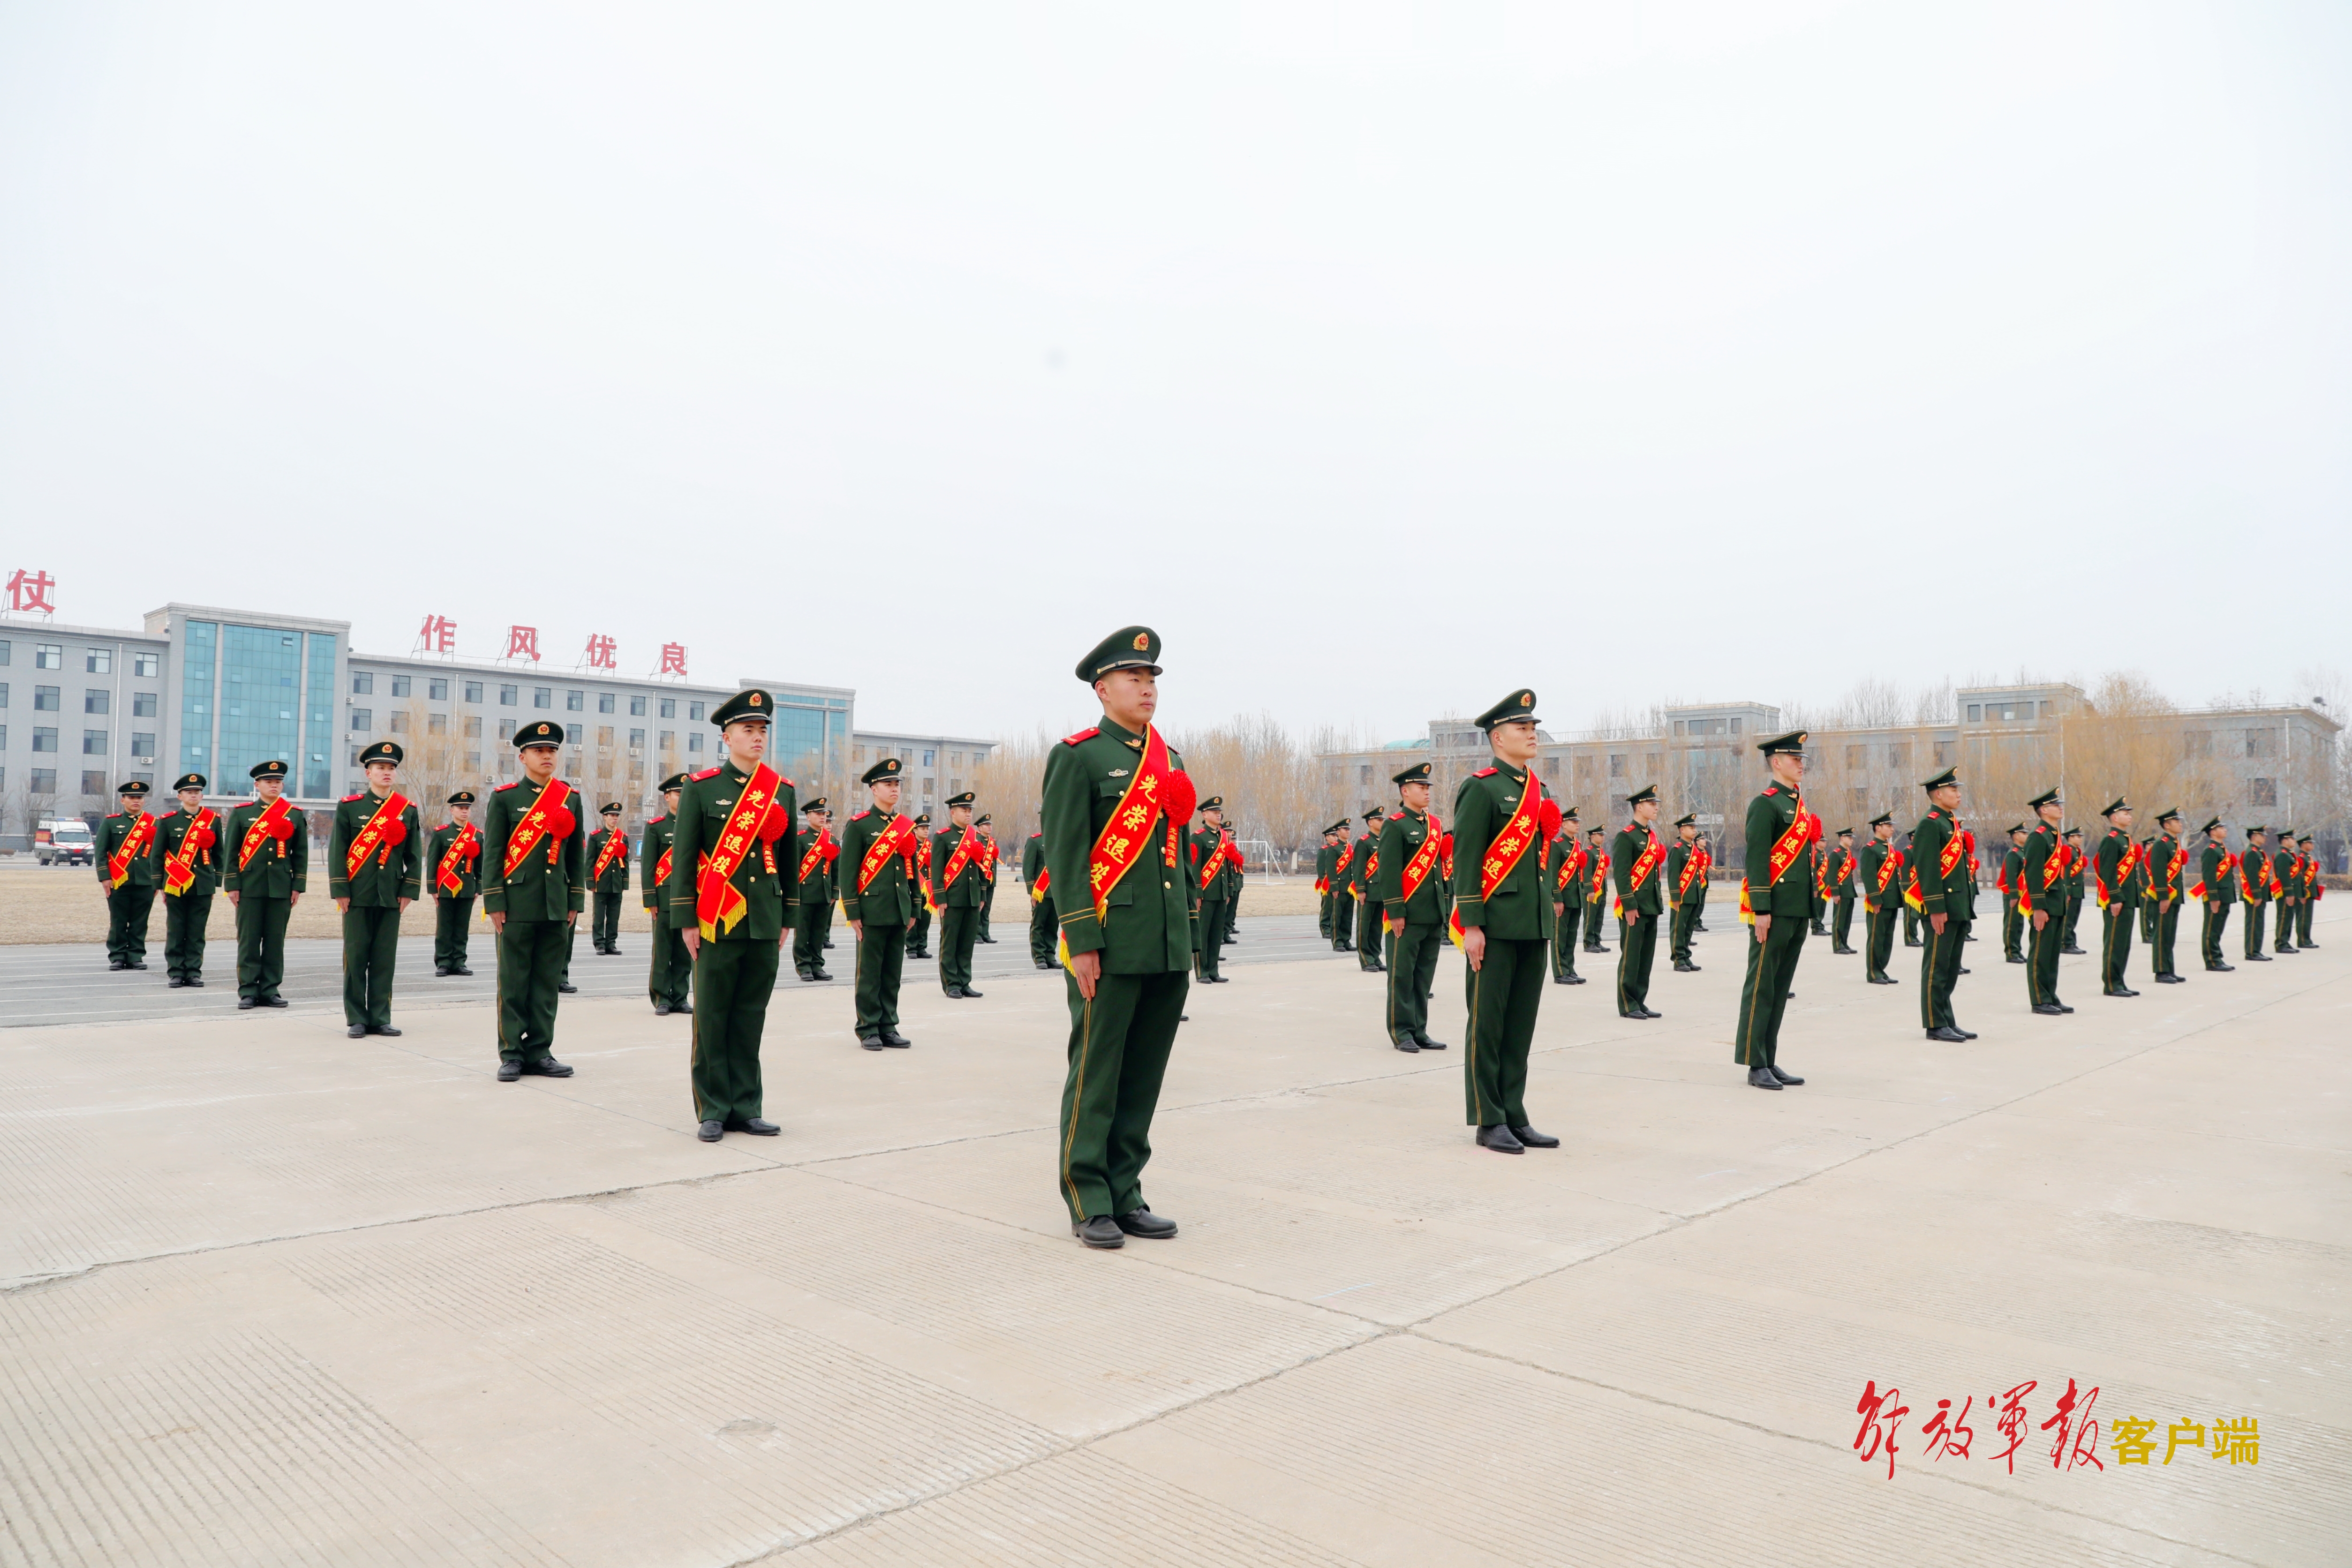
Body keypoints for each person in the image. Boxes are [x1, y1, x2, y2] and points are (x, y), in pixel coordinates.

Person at [1045, 626, 1196, 1248]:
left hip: (1164, 943)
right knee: (1097, 1073)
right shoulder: (1077, 756)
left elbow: (1174, 857)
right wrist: (1081, 938)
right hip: (1107, 944)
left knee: (1143, 1077)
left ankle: (1127, 1191)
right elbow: (1067, 854)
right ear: (1103, 688)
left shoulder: (1171, 760)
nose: (1147, 688)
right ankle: (1088, 1196)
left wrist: (1185, 940)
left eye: (1153, 678)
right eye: (1134, 678)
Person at [670, 689, 797, 1139]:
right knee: (712, 1016)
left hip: (764, 919)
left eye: (763, 730)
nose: (758, 737)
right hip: (715, 920)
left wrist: (788, 917)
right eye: (749, 729)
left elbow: (789, 860)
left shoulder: (781, 791)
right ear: (727, 737)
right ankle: (713, 1109)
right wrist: (685, 920)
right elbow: (684, 858)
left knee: (749, 1016)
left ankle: (747, 1105)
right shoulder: (702, 788)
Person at [1451, 689, 1561, 1153]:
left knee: (1520, 1026)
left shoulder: (1536, 788)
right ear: (1498, 738)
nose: (1532, 733)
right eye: (1522, 728)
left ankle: (1515, 1112)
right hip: (1494, 925)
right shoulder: (1481, 787)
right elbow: (1468, 859)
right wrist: (1472, 924)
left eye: (1534, 727)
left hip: (1533, 923)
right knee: (1489, 1024)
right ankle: (1488, 1117)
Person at [482, 723, 587, 1075]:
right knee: (513, 982)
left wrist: (575, 899)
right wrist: (494, 901)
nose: (547, 756)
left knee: (546, 983)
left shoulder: (570, 798)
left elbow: (576, 856)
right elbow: (493, 855)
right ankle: (512, 1053)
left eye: (553, 750)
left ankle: (540, 1051)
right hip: (516, 904)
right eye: (539, 751)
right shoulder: (506, 798)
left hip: (555, 903)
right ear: (523, 757)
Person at [1733, 732, 1816, 1087]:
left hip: (1797, 909)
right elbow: (1757, 861)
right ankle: (1755, 1063)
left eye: (1802, 759)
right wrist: (1761, 909)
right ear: (1776, 762)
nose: (1801, 763)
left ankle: (1769, 1056)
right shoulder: (1765, 804)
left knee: (1781, 987)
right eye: (1794, 758)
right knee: (1762, 986)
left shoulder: (1797, 804)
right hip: (1775, 910)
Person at [327, 740, 422, 1039]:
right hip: (356, 894)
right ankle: (356, 1017)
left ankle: (380, 1017)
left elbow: (415, 855)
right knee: (356, 958)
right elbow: (337, 851)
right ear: (368, 772)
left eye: (391, 768)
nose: (387, 773)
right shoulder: (350, 807)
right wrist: (340, 889)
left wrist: (409, 890)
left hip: (390, 895)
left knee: (384, 958)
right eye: (381, 767)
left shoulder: (406, 810)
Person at [840, 754, 919, 1049]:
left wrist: (914, 906)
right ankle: (868, 1027)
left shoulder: (904, 826)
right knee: (870, 973)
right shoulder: (860, 825)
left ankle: (889, 1026)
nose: (894, 788)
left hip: (899, 910)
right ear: (874, 789)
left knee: (891, 974)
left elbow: (912, 872)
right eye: (888, 784)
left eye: (897, 783)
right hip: (871, 911)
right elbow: (848, 873)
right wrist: (853, 912)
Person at [1374, 761, 1450, 1052]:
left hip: (1431, 913)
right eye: (1422, 787)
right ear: (1406, 791)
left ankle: (1420, 1030)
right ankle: (1401, 1031)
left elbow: (1437, 872)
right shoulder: (1395, 825)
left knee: (1423, 977)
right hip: (1406, 915)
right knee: (1402, 975)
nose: (1427, 792)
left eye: (1428, 787)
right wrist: (1395, 912)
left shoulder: (1435, 825)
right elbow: (1389, 873)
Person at [223, 760, 307, 1009]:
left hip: (281, 886)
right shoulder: (241, 813)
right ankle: (248, 990)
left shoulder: (294, 814)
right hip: (249, 886)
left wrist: (297, 885)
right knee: (248, 940)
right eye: (269, 781)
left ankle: (270, 989)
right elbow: (232, 854)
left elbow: (300, 854)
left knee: (274, 941)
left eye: (278, 781)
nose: (274, 785)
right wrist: (232, 885)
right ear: (257, 784)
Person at [1907, 769, 1974, 1042]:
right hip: (1942, 907)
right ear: (1938, 794)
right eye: (1953, 790)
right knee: (1936, 966)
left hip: (1957, 904)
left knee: (1950, 965)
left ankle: (1947, 1018)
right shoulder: (1930, 824)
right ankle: (1935, 1023)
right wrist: (1935, 907)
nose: (1958, 794)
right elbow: (1928, 869)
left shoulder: (1950, 822)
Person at [156, 773, 221, 988]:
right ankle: (176, 971)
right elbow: (157, 854)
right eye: (189, 792)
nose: (194, 795)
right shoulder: (168, 821)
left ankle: (193, 971)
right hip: (175, 883)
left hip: (202, 884)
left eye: (197, 792)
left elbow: (220, 854)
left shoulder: (213, 820)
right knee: (176, 929)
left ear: (202, 796)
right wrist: (160, 885)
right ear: (180, 796)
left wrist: (216, 883)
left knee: (196, 931)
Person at [641, 772, 694, 1014]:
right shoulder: (657, 828)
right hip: (664, 899)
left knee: (686, 951)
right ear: (667, 797)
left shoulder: (695, 825)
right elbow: (649, 867)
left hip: (690, 900)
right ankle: (662, 997)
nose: (682, 798)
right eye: (678, 794)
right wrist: (650, 899)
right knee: (663, 950)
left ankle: (681, 996)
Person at [1612, 786, 1666, 1018]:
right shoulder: (1626, 836)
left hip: (1651, 905)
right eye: (1652, 804)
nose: (1656, 808)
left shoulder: (1650, 835)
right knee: (1631, 956)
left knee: (1646, 958)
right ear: (1639, 807)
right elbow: (1622, 874)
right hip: (1634, 906)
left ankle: (1640, 1001)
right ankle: (1627, 1003)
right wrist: (1629, 904)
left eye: (1656, 804)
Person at [2018, 789, 2072, 1016]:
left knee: (2052, 953)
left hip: (2057, 902)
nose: (2060, 807)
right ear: (2043, 810)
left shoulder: (2053, 834)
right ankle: (2039, 999)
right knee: (2040, 953)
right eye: (2055, 805)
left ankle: (2051, 995)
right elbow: (2033, 874)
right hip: (2045, 905)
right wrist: (2038, 907)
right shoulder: (2039, 836)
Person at [98, 779, 161, 971]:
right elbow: (101, 851)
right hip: (118, 880)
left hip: (145, 880)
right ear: (123, 800)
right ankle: (117, 956)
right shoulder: (111, 822)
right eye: (132, 798)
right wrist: (105, 877)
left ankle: (135, 955)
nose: (136, 801)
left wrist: (158, 880)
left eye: (140, 798)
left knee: (140, 922)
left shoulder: (154, 823)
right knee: (118, 920)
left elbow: (161, 854)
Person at [930, 792, 988, 998]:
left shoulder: (975, 837)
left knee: (967, 943)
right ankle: (951, 983)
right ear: (953, 812)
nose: (968, 814)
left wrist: (982, 894)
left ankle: (965, 982)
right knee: (950, 942)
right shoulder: (943, 837)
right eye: (964, 810)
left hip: (972, 897)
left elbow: (980, 868)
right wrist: (940, 899)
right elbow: (936, 871)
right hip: (952, 898)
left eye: (970, 810)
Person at [428, 791, 482, 977]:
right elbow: (433, 862)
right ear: (452, 810)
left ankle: (459, 961)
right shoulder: (441, 834)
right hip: (446, 887)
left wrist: (479, 888)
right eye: (461, 808)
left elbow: (480, 866)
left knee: (461, 928)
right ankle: (443, 961)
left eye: (467, 809)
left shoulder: (477, 835)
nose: (464, 812)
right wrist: (432, 888)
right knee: (444, 927)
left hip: (467, 888)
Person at [2093, 799, 2143, 996]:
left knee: (2124, 943)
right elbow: (2108, 871)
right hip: (2118, 899)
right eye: (2125, 813)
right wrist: (2115, 897)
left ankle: (2120, 981)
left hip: (2129, 898)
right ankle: (2112, 984)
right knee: (2114, 942)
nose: (2130, 816)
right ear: (2115, 817)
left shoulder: (2125, 838)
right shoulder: (2111, 839)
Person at [1189, 797, 1238, 983]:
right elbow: (1195, 866)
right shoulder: (1198, 837)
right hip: (1206, 894)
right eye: (1214, 812)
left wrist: (1229, 891)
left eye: (1220, 812)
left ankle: (1214, 971)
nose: (1219, 815)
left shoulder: (1224, 837)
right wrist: (1198, 893)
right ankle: (1202, 972)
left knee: (1217, 933)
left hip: (1221, 893)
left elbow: (1227, 866)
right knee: (1203, 933)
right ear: (1205, 814)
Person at [2141, 808, 2190, 983]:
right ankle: (2161, 971)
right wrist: (2164, 896)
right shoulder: (2162, 843)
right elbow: (2159, 871)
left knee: (2169, 934)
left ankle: (2169, 968)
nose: (2181, 824)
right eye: (2177, 822)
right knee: (2161, 934)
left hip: (2174, 895)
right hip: (2165, 896)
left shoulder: (2174, 842)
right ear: (2167, 825)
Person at [792, 799, 837, 981]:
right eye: (818, 814)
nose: (822, 817)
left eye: (824, 814)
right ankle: (804, 967)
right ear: (808, 816)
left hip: (824, 894)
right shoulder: (801, 838)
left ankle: (817, 966)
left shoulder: (831, 840)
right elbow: (794, 869)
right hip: (805, 894)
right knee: (803, 934)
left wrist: (835, 892)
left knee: (819, 934)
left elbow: (836, 869)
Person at [1857, 813, 1901, 985]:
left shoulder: (1890, 848)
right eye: (1888, 826)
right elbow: (1869, 877)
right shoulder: (1871, 849)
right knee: (1876, 937)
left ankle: (1882, 970)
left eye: (1892, 826)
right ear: (1878, 828)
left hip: (1892, 899)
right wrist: (1875, 899)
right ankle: (1874, 973)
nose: (1892, 829)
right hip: (1880, 900)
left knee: (1887, 938)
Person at [1548, 808, 1589, 984]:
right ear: (1564, 825)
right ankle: (1560, 972)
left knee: (1571, 936)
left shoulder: (1577, 845)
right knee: (1560, 937)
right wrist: (1557, 898)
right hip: (1563, 898)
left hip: (1575, 898)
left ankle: (1570, 969)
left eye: (1578, 822)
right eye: (1574, 822)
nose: (1577, 825)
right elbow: (1553, 874)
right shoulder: (1557, 845)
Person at [586, 803, 631, 956]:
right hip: (601, 883)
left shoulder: (623, 837)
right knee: (599, 916)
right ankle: (599, 943)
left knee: (614, 916)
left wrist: (625, 881)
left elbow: (625, 862)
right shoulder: (596, 836)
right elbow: (590, 861)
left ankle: (611, 943)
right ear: (605, 817)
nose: (615, 818)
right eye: (612, 815)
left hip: (616, 883)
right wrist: (590, 882)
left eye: (617, 816)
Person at [2193, 818, 2236, 972]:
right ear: (2213, 832)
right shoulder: (2211, 850)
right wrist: (2213, 898)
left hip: (2225, 895)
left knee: (2218, 929)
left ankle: (2217, 957)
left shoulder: (2222, 849)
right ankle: (2212, 960)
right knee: (2212, 929)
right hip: (2216, 896)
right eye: (2221, 828)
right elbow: (2209, 876)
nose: (2225, 829)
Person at [1666, 814, 1704, 972]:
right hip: (1682, 896)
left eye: (1695, 827)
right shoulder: (1678, 850)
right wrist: (1675, 896)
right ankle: (1678, 959)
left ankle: (1686, 956)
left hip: (1694, 894)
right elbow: (1673, 875)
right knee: (1678, 929)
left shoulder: (1693, 848)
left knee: (1688, 928)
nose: (1694, 830)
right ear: (1682, 830)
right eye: (1691, 827)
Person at [1351, 808, 1386, 972]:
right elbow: (1358, 868)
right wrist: (1360, 890)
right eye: (1380, 820)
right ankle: (1366, 959)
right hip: (1368, 890)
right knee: (1364, 926)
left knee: (1377, 927)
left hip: (1381, 891)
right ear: (1371, 822)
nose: (1383, 822)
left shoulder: (1384, 841)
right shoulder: (1364, 842)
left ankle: (1376, 957)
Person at [1022, 821, 1057, 970]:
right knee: (1039, 925)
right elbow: (1028, 867)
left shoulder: (1059, 840)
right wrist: (1032, 891)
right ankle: (1039, 957)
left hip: (1056, 892)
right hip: (1041, 892)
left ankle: (1050, 956)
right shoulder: (1035, 841)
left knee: (1053, 926)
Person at [1998, 824, 2030, 964]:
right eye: (2024, 833)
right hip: (2014, 895)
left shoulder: (2023, 852)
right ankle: (2011, 953)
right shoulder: (2013, 853)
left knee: (2019, 925)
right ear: (2016, 836)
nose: (2027, 836)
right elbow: (2010, 876)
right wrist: (2013, 896)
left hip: (2022, 894)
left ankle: (2018, 951)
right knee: (2011, 925)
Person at [1825, 828, 1860, 955]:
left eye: (1852, 838)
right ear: (1842, 838)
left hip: (1849, 891)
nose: (1852, 840)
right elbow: (1832, 875)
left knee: (1847, 920)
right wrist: (1835, 893)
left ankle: (1844, 943)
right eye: (1849, 838)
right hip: (1841, 892)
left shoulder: (1848, 853)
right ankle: (1838, 945)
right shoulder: (1836, 854)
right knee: (1839, 920)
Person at [905, 813, 934, 957]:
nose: (926, 831)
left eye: (927, 828)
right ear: (915, 830)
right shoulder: (910, 845)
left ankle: (922, 947)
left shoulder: (931, 846)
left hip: (928, 889)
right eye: (922, 828)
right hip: (914, 888)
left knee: (925, 920)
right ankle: (911, 948)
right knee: (913, 919)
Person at [1327, 820, 1358, 952]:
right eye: (1345, 829)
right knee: (1337, 916)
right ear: (1338, 832)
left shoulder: (1351, 848)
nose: (1348, 831)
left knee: (1348, 916)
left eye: (1349, 829)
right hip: (1339, 887)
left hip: (1350, 887)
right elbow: (1331, 869)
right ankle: (1337, 942)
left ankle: (1346, 940)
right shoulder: (1334, 849)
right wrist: (1334, 887)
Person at [2059, 827, 2089, 953]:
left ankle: (2071, 941)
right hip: (2072, 891)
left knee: (2074, 918)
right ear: (2071, 838)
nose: (2081, 839)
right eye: (2078, 837)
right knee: (2068, 918)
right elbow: (2066, 873)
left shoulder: (2077, 852)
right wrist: (2068, 891)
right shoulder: (2068, 851)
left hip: (2078, 890)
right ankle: (2065, 943)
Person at [2272, 828, 2301, 954]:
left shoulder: (2288, 854)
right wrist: (2289, 893)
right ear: (2285, 840)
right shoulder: (2283, 855)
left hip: (2290, 892)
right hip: (2284, 892)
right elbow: (2284, 876)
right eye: (2292, 839)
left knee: (2289, 917)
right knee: (2284, 917)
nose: (2294, 841)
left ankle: (2286, 941)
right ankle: (2281, 943)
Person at [1583, 827, 1612, 954]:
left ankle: (1597, 941)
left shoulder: (1601, 852)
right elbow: (1587, 872)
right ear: (1593, 836)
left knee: (1599, 917)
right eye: (1600, 835)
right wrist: (1590, 889)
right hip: (1593, 890)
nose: (1603, 837)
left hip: (1602, 889)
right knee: (1590, 917)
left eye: (1603, 835)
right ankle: (1589, 942)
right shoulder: (1589, 852)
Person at [2293, 831, 2322, 948]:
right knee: (2303, 917)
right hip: (2305, 892)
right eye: (2310, 843)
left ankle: (2307, 939)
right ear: (2303, 845)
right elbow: (2300, 878)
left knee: (2308, 917)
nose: (2312, 845)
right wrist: (2303, 893)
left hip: (2310, 892)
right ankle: (2302, 941)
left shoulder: (2308, 857)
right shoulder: (2301, 858)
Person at [975, 814, 1001, 943]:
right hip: (980, 880)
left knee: (987, 908)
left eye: (990, 825)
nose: (989, 827)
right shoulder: (976, 839)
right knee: (979, 907)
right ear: (980, 827)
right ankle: (977, 934)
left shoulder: (992, 841)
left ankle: (985, 933)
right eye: (986, 825)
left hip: (990, 880)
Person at [1314, 823, 1341, 943]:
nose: (1335, 838)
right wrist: (1323, 883)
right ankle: (1325, 929)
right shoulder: (1324, 851)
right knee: (1327, 907)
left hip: (1338, 882)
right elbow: (1321, 868)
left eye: (1336, 835)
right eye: (1333, 836)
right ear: (1327, 837)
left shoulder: (1338, 849)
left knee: (1336, 908)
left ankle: (1334, 929)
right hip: (1327, 883)